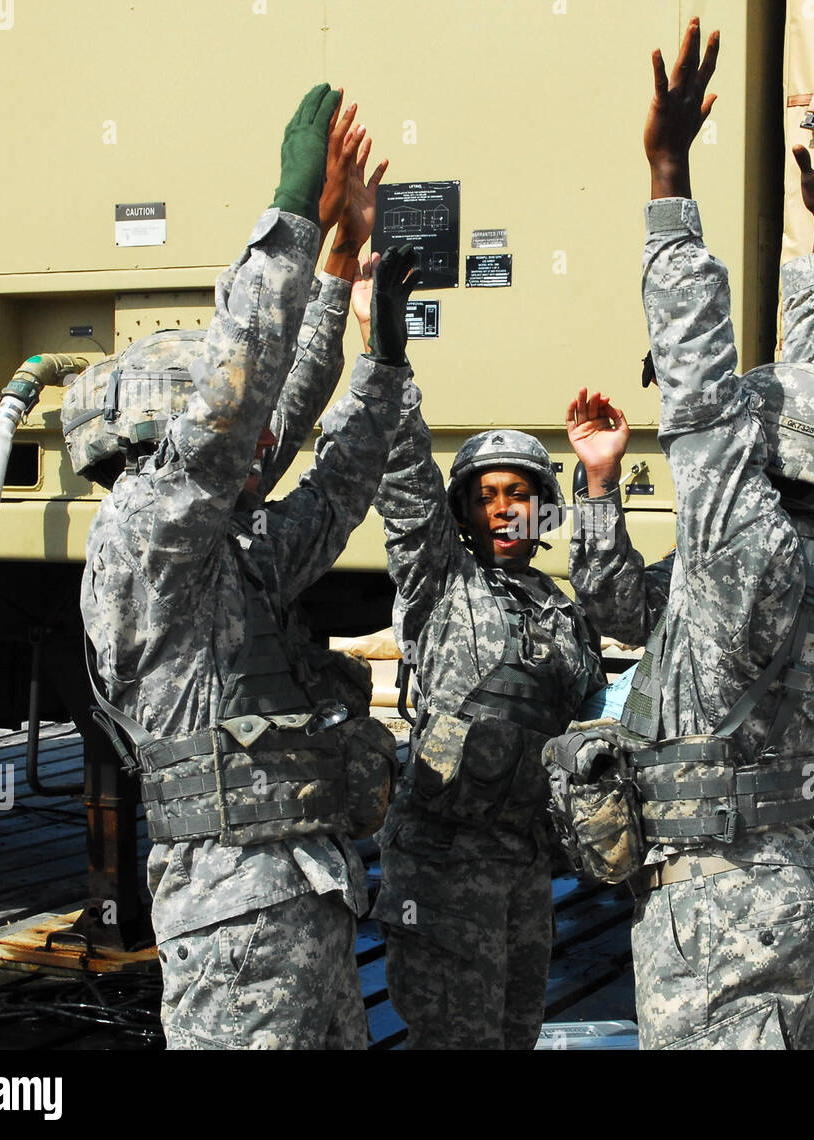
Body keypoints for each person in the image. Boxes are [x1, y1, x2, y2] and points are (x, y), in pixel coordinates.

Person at [564, 21, 814, 1049]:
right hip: (800, 890)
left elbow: (697, 368)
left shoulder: (740, 545)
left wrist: (667, 172)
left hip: (711, 919)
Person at [64, 84, 420, 1049]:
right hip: (229, 928)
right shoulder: (144, 535)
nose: (254, 447)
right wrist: (292, 216)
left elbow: (327, 477)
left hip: (307, 900)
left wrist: (372, 344)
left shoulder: (229, 554)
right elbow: (234, 414)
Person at [363, 310, 607, 1048]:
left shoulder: (565, 615)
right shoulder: (441, 581)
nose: (504, 509)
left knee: (515, 1033)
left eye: (520, 494)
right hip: (443, 864)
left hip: (525, 866)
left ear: (543, 509)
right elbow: (405, 477)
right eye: (486, 495)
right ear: (464, 512)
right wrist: (388, 356)